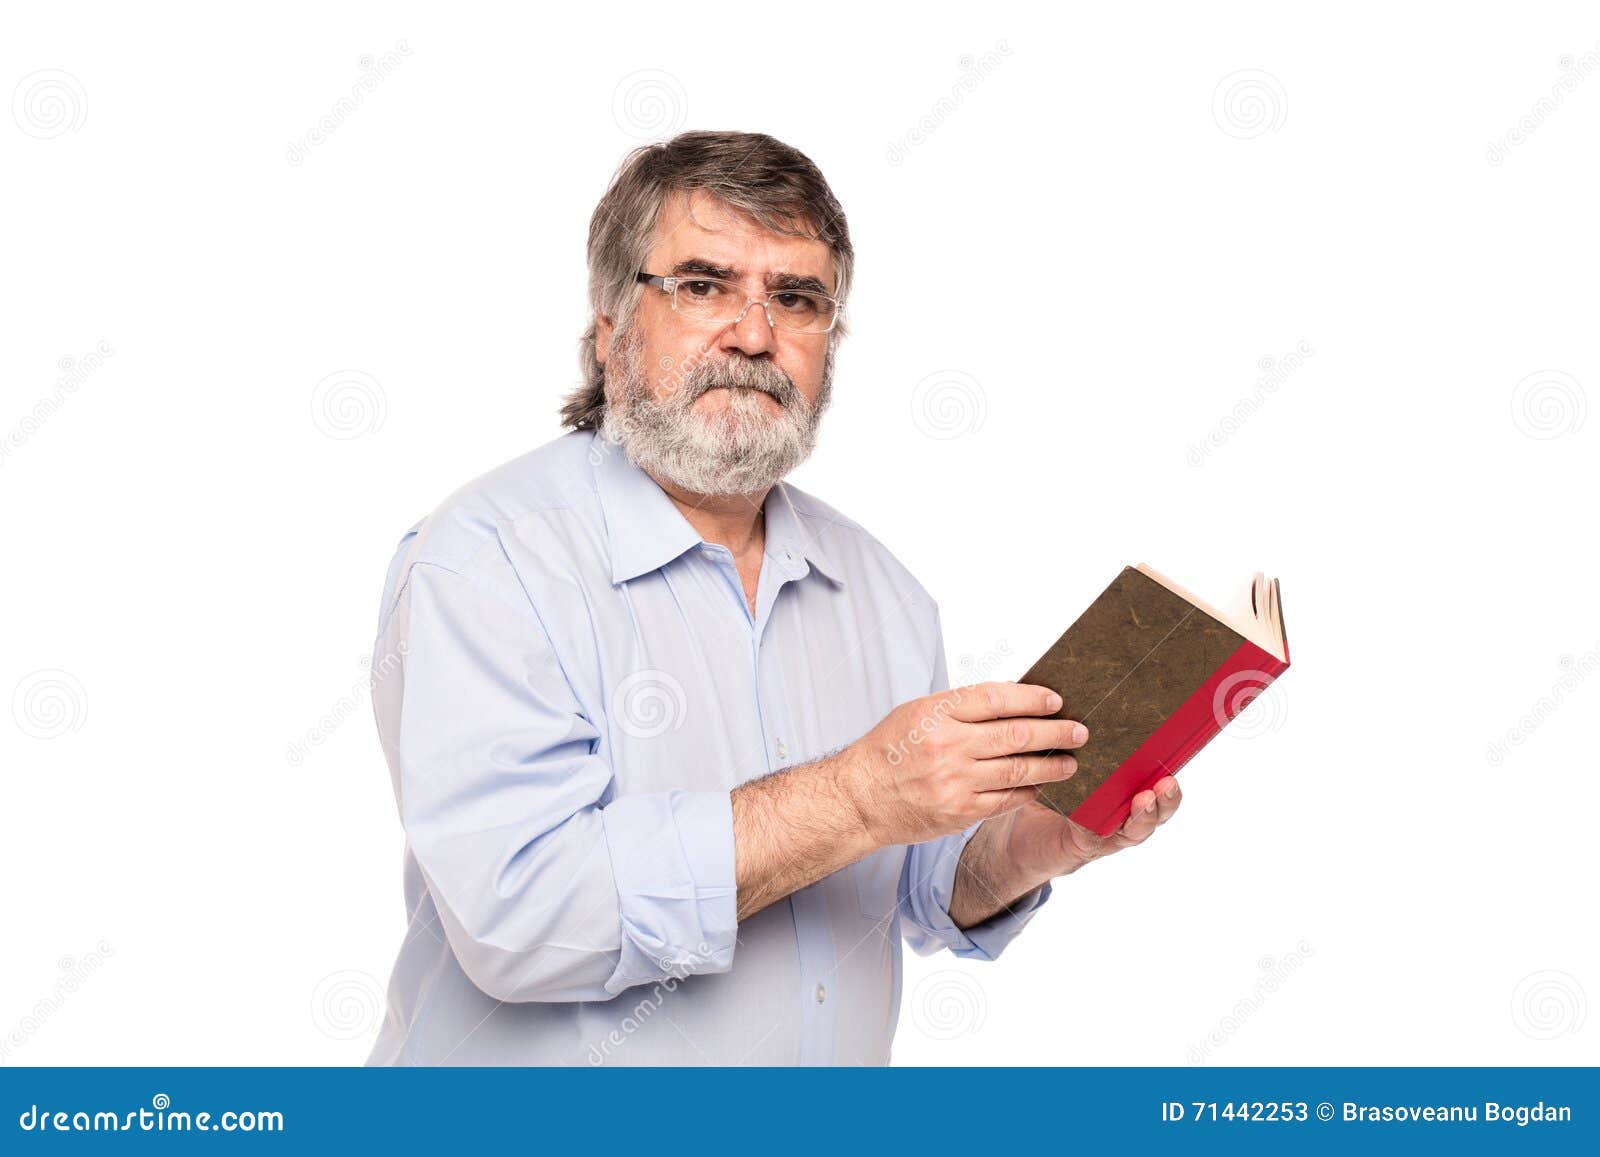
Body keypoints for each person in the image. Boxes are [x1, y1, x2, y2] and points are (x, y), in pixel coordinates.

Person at [366, 130, 1181, 1065]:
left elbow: (914, 886)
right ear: (608, 324)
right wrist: (860, 794)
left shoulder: (881, 588)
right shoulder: (486, 560)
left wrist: (1038, 842)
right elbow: (525, 917)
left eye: (797, 299)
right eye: (703, 285)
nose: (754, 334)